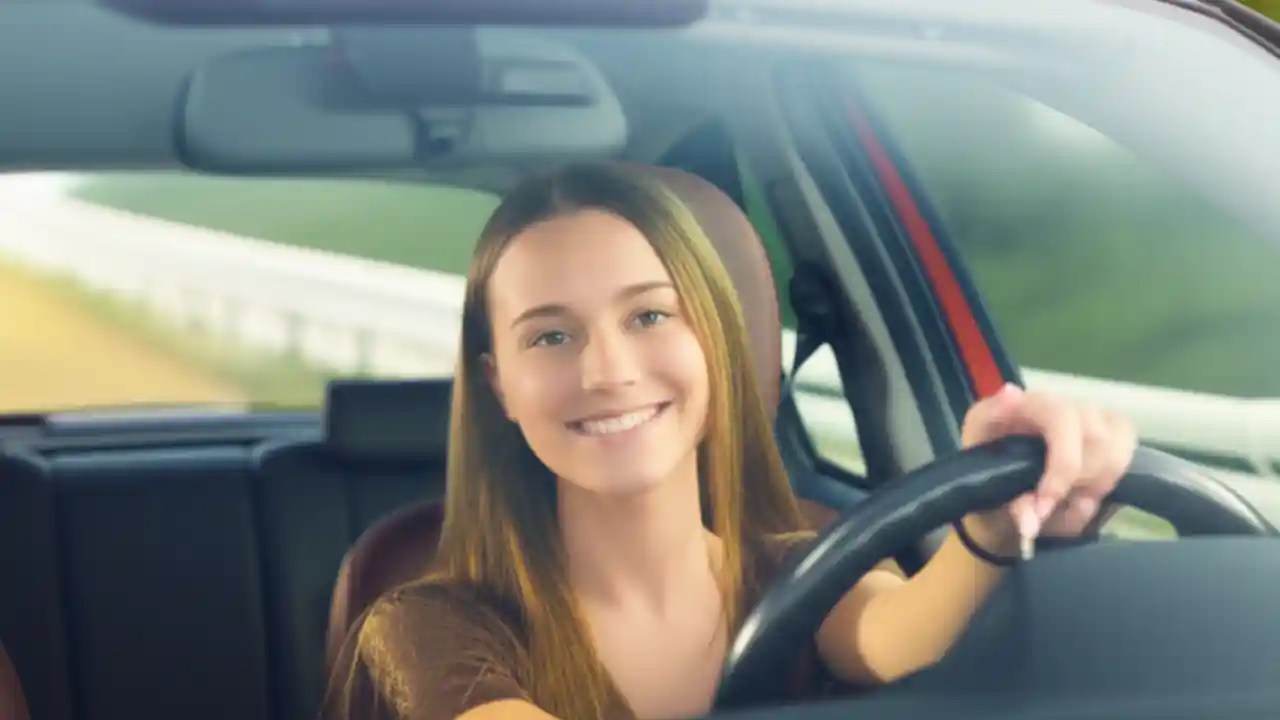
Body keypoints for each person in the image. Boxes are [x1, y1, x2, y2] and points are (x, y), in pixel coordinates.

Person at [329, 163, 1136, 720]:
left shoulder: (806, 567)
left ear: (715, 341)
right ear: (498, 383)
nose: (608, 371)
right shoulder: (425, 624)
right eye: (549, 337)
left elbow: (899, 636)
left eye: (649, 316)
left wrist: (1001, 512)